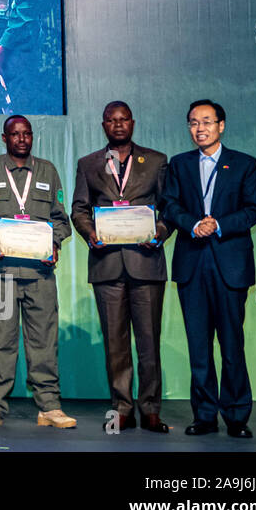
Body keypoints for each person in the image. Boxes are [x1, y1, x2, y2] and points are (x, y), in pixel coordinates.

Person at [161, 100, 256, 439]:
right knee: (199, 345)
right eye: (193, 122)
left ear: (221, 125)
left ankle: (236, 415)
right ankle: (204, 415)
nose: (199, 128)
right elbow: (170, 205)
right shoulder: (179, 164)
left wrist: (217, 224)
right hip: (193, 261)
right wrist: (193, 224)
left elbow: (253, 210)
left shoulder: (245, 164)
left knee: (232, 344)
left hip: (229, 262)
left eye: (206, 121)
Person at [71, 101, 171, 434]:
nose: (118, 125)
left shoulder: (156, 161)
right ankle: (122, 408)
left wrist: (158, 233)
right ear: (103, 125)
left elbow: (169, 210)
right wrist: (90, 234)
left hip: (146, 263)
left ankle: (151, 409)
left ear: (132, 123)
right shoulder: (88, 164)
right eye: (111, 120)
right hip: (107, 264)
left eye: (123, 119)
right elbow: (80, 210)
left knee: (148, 341)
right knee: (115, 343)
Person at [0, 115, 75, 428]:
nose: (21, 139)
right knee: (1, 340)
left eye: (26, 134)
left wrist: (54, 242)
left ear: (32, 137)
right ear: (5, 138)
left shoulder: (47, 170)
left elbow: (61, 219)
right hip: (2, 272)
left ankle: (49, 406)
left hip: (40, 274)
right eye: (15, 134)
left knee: (43, 341)